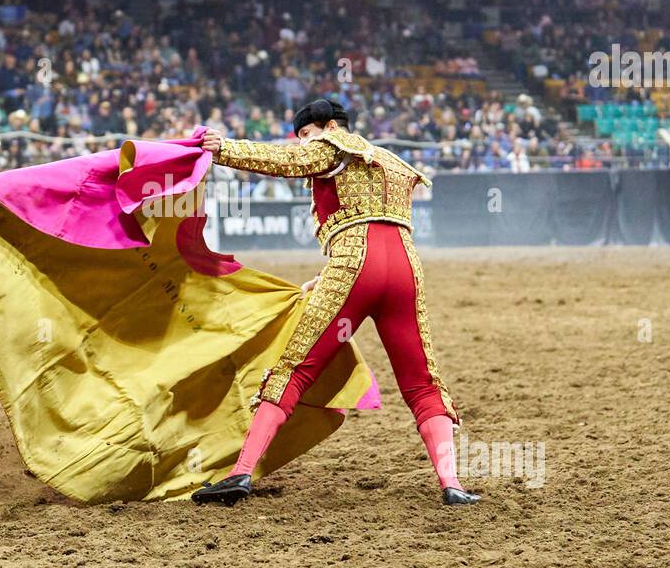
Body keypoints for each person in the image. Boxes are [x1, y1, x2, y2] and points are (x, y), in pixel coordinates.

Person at [193, 98, 479, 506]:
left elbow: (283, 162)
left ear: (329, 126)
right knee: (421, 380)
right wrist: (327, 276)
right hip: (405, 269)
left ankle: (240, 473)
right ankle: (451, 483)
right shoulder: (390, 160)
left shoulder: (334, 146)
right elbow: (376, 227)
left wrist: (224, 149)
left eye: (306, 135)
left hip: (354, 267)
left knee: (296, 367)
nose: (304, 146)